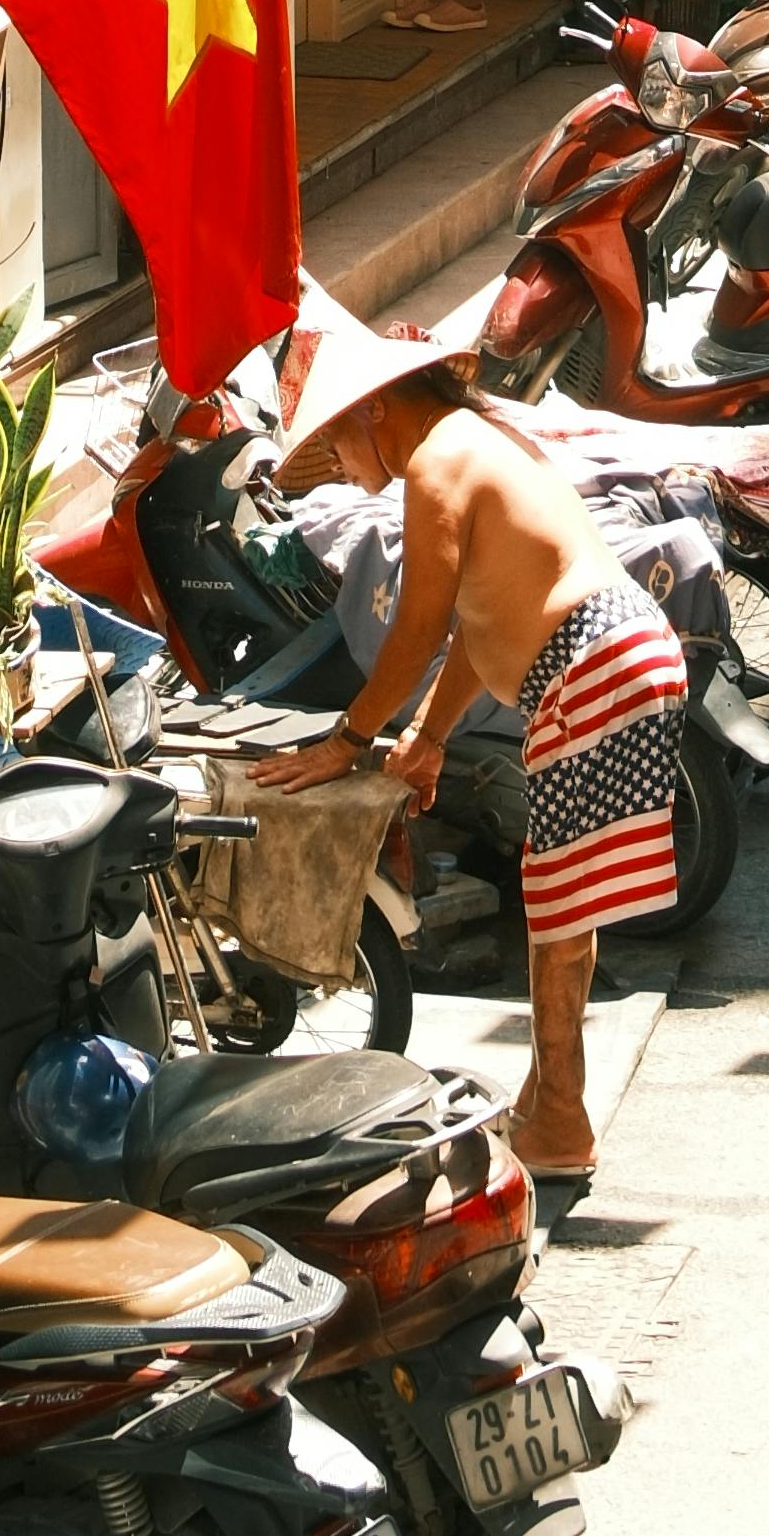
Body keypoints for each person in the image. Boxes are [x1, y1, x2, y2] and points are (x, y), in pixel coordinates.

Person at [275, 304, 687, 1194]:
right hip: (617, 654)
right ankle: (548, 1105)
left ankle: (562, 1123)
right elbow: (475, 622)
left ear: (371, 411)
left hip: (592, 666)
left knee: (557, 920)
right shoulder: (471, 441)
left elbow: (420, 626)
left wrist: (348, 740)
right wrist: (424, 736)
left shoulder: (438, 461)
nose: (344, 470)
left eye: (338, 450)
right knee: (560, 909)